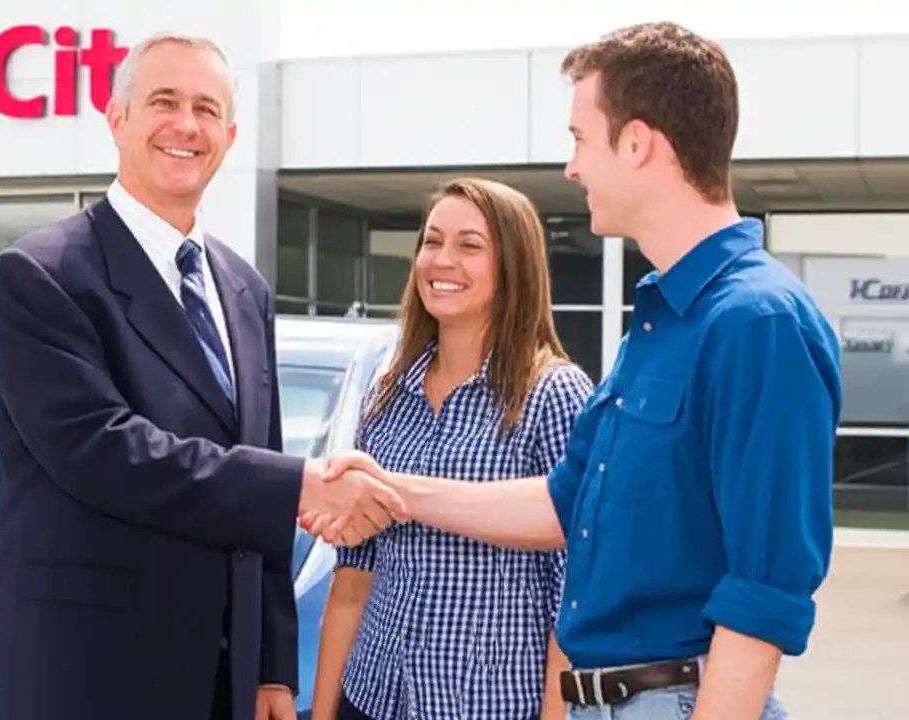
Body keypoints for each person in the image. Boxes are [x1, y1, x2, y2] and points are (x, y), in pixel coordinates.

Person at [303, 21, 841, 720]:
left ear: (638, 143)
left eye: (580, 139)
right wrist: (386, 486)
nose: (572, 167)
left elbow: (764, 593)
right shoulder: (662, 321)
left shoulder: (759, 324)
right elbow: (565, 503)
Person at [0, 32, 405, 720]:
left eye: (207, 109)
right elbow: (102, 451)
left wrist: (272, 665)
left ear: (230, 136)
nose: (187, 125)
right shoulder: (43, 274)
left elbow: (254, 467)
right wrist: (302, 482)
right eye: (164, 101)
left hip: (225, 685)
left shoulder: (244, 287)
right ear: (117, 119)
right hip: (90, 677)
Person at [309, 178, 595, 720]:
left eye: (470, 246)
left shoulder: (553, 395)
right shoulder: (387, 393)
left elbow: (573, 598)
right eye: (432, 242)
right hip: (371, 696)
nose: (442, 261)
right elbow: (352, 577)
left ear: (513, 266)